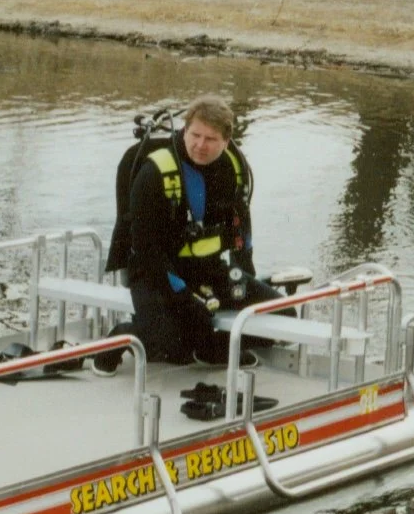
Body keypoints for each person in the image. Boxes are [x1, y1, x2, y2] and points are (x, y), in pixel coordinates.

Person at [92, 95, 283, 375]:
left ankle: (210, 348)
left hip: (209, 270)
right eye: (195, 135)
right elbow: (145, 248)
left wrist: (245, 274)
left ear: (226, 141)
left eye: (210, 139)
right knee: (172, 342)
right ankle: (124, 335)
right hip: (155, 274)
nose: (200, 146)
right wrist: (183, 295)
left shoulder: (234, 167)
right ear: (185, 129)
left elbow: (242, 228)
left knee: (282, 313)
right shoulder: (156, 172)